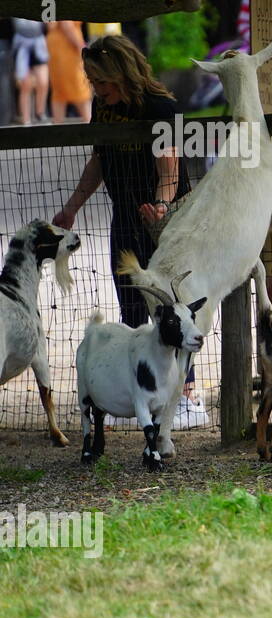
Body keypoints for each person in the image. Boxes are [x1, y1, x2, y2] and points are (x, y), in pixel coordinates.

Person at [52, 35, 207, 429]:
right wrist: (71, 208)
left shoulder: (160, 107)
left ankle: (185, 395)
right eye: (93, 83)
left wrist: (160, 206)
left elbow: (169, 165)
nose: (97, 90)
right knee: (133, 307)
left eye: (102, 82)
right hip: (125, 215)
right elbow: (98, 161)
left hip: (165, 222)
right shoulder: (104, 109)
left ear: (123, 74)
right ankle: (142, 390)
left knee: (171, 307)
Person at [47, 0, 93, 123]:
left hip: (57, 45)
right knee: (79, 85)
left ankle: (58, 127)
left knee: (59, 89)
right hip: (66, 46)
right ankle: (91, 124)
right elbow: (67, 25)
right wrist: (81, 47)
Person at [11, 18, 49, 125]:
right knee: (25, 85)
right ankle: (26, 119)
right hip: (21, 44)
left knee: (43, 82)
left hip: (38, 43)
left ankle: (40, 113)